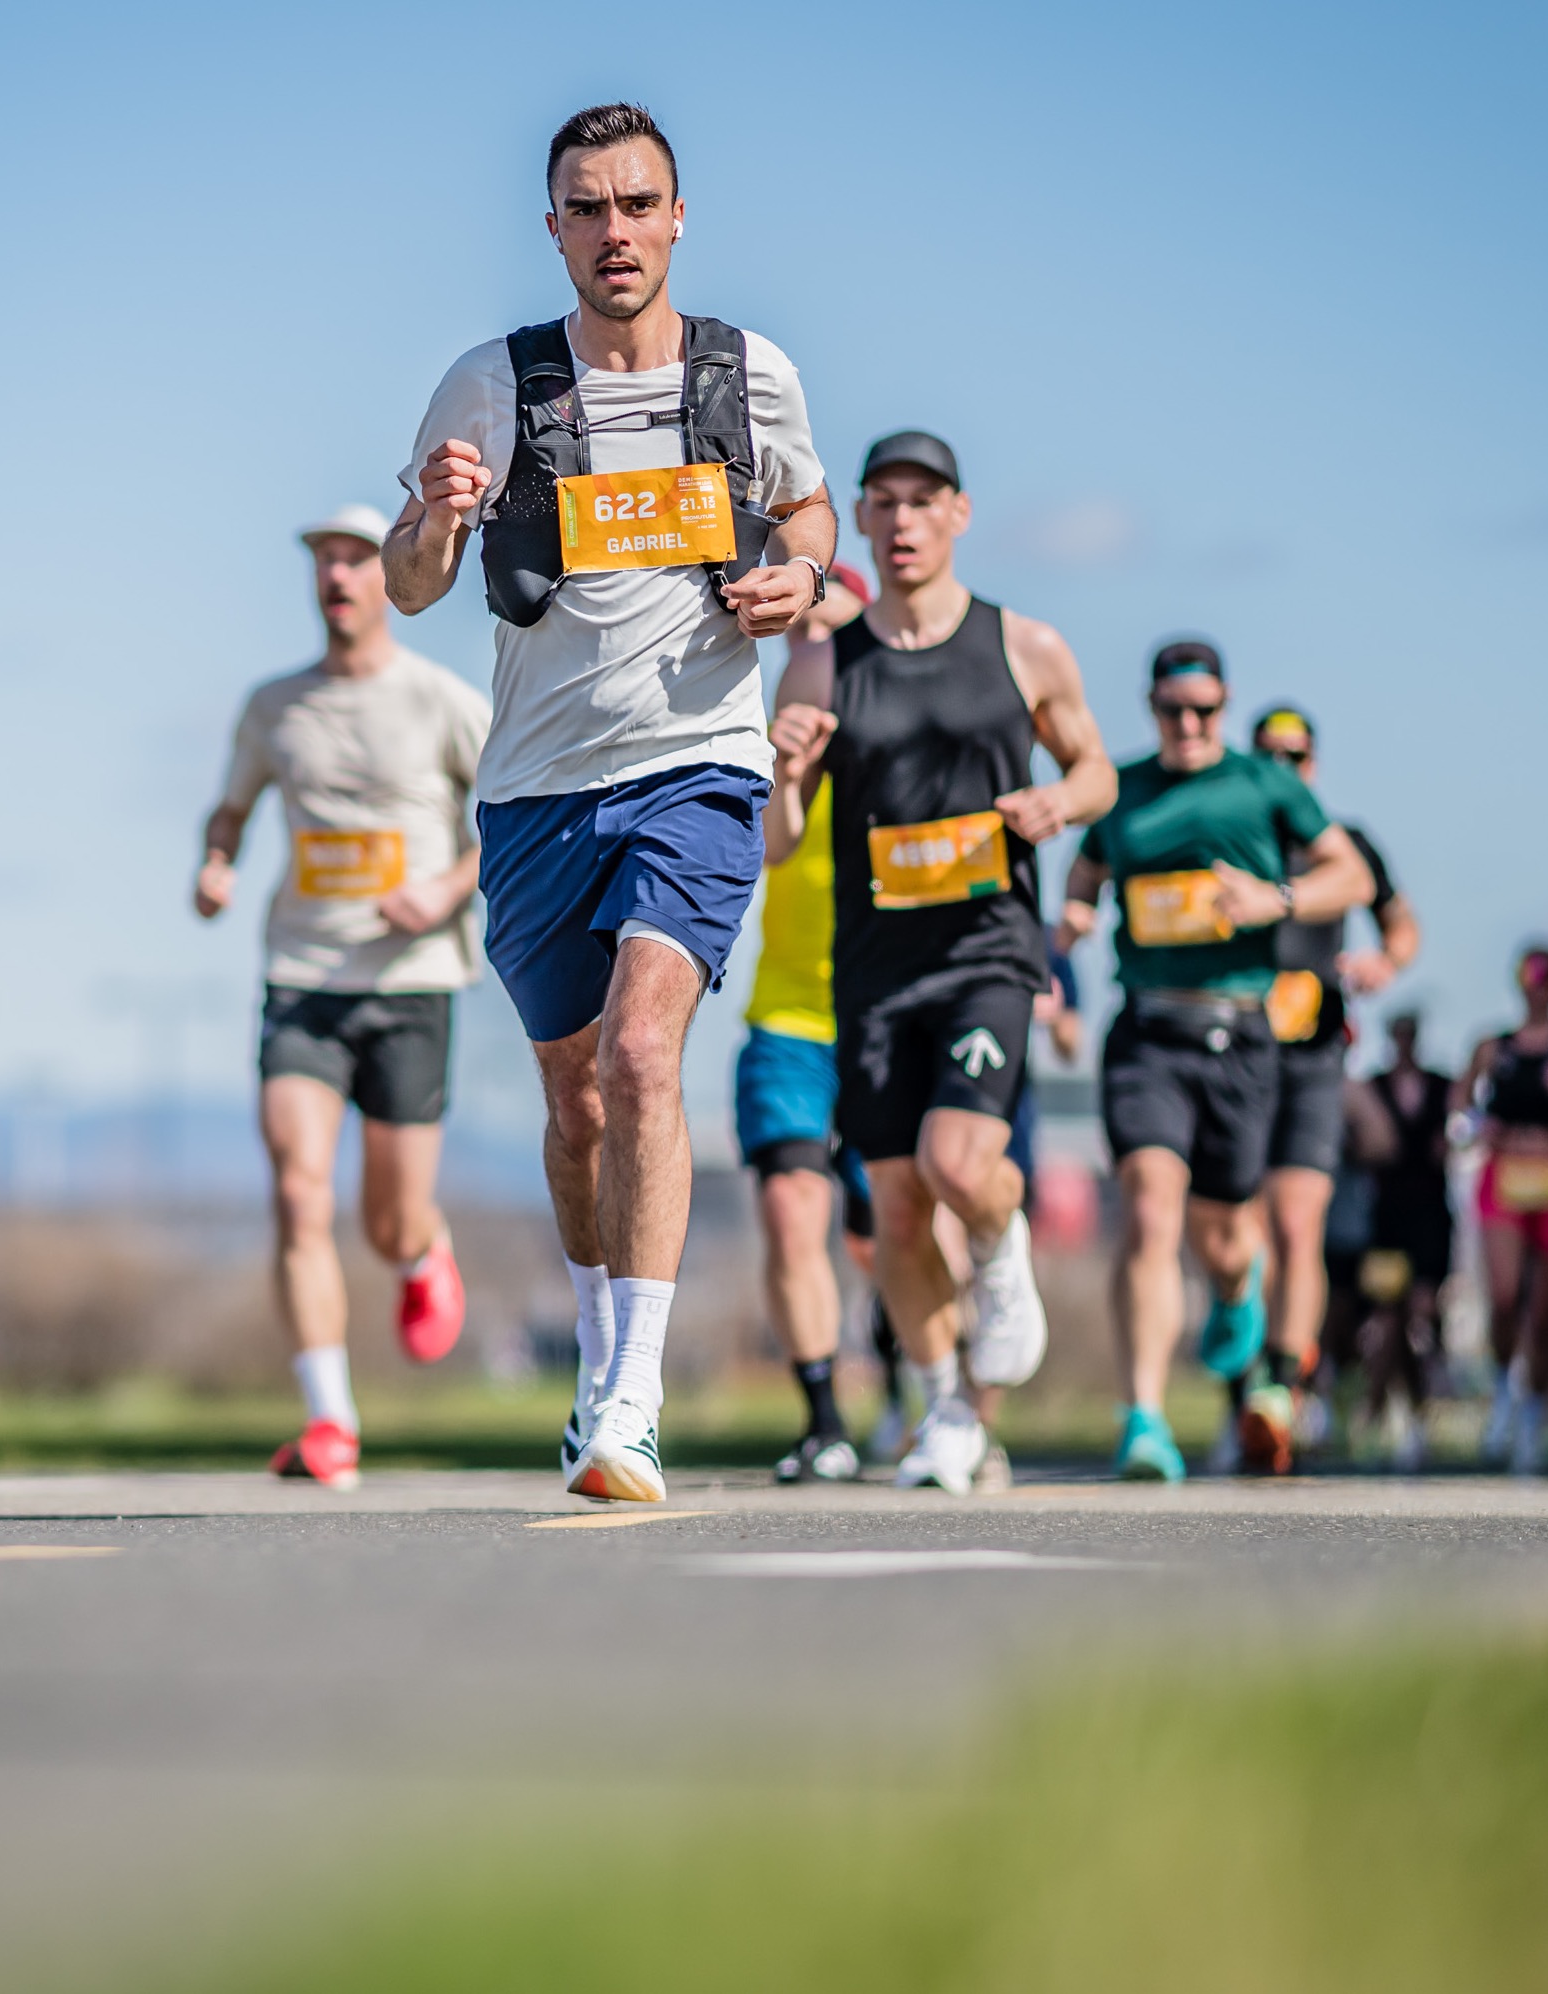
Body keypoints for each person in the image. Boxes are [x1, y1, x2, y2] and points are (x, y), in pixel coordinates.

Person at [383, 103, 834, 1502]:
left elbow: (806, 516)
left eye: (637, 203)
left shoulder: (747, 376)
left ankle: (632, 1399)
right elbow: (408, 581)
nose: (614, 231)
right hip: (533, 792)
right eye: (587, 208)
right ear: (553, 228)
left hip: (697, 762)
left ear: (677, 216)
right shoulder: (492, 383)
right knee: (575, 1100)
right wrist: (442, 519)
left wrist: (800, 578)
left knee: (647, 1056)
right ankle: (594, 1349)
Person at [767, 431, 1116, 1496]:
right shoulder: (826, 659)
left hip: (986, 951)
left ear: (959, 514)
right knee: (897, 1205)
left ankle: (1003, 1255)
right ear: (862, 520)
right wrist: (785, 769)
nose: (905, 520)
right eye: (885, 502)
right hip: (873, 967)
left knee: (959, 1163)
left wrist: (1061, 799)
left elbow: (1095, 767)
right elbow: (781, 839)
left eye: (925, 501)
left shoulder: (1024, 645)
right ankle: (946, 1409)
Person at [195, 505, 490, 1487]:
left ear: (386, 574)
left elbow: (510, 815)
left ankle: (422, 1248)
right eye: (322, 561)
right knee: (295, 1188)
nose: (337, 576)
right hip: (304, 975)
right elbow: (230, 808)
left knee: (386, 1218)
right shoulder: (275, 706)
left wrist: (444, 890)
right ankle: (328, 1418)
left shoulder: (440, 700)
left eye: (355, 559)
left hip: (411, 981)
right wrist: (215, 864)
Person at [1058, 640, 1372, 1482]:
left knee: (1230, 1237)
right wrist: (1077, 917)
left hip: (1241, 1036)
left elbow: (1352, 876)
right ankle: (1145, 1420)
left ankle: (1238, 1292)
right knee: (1151, 1211)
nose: (1188, 725)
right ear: (1152, 708)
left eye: (1203, 710)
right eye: (1172, 711)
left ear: (1224, 706)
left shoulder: (1263, 784)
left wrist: (1277, 899)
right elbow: (1085, 870)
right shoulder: (1124, 790)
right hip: (1149, 1035)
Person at [1240, 705, 1420, 1471]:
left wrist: (1386, 962)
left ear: (1315, 762)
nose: (1285, 769)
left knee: (1298, 1221)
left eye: (1298, 756)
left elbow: (1401, 925)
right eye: (1269, 756)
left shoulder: (1344, 847)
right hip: (1230, 1052)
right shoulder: (1233, 839)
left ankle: (1283, 1388)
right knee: (1236, 1237)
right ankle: (1244, 1382)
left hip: (1313, 1053)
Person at [735, 564, 877, 1483]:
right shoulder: (763, 717)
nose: (808, 641)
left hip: (890, 1008)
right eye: (796, 627)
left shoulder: (912, 724)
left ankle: (918, 1384)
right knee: (793, 1212)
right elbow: (758, 842)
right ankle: (824, 1416)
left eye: (824, 621)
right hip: (787, 1011)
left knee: (893, 1229)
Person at [1454, 944, 1548, 1474]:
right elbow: (1458, 1115)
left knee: (1545, 1315)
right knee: (1502, 1297)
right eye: (1527, 975)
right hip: (1505, 1174)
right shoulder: (1491, 1047)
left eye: (1544, 976)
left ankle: (1534, 1417)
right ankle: (1503, 1390)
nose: (1535, 985)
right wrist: (1480, 1127)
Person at [1349, 1012, 1453, 1468]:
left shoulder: (1441, 1086)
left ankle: (1410, 1412)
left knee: (1420, 1316)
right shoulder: (1374, 1087)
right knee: (1388, 1318)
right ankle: (1383, 1408)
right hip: (1387, 1220)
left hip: (1431, 1218)